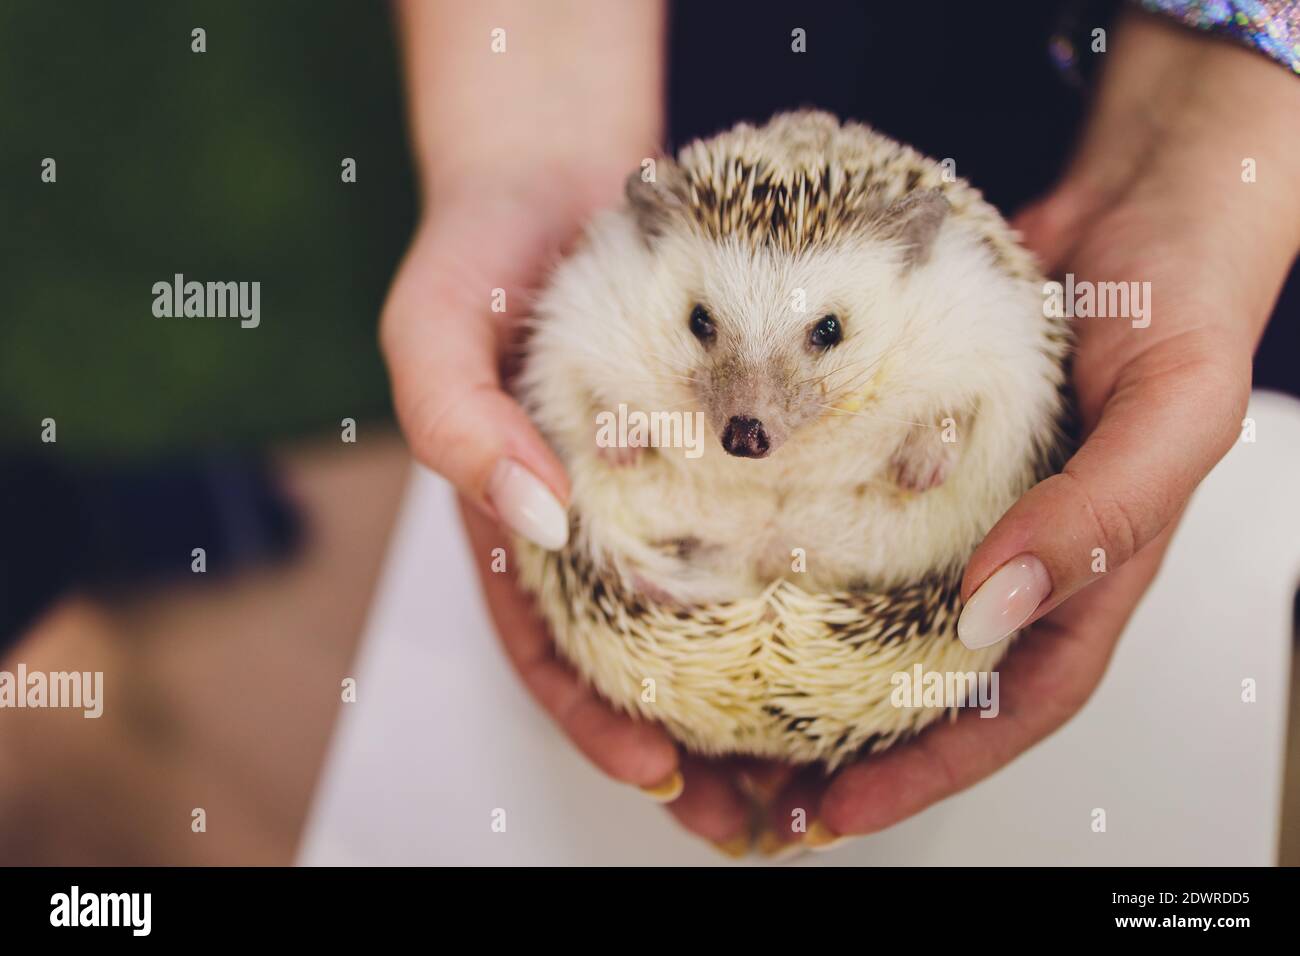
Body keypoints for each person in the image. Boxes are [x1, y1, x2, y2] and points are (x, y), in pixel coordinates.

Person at [380, 0, 1300, 855]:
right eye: (705, 327)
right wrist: (523, 145)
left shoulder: (962, 307)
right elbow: (579, 347)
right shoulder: (631, 252)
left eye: (823, 335)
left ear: (908, 262)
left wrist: (1203, 136)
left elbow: (1001, 389)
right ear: (656, 240)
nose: (749, 411)